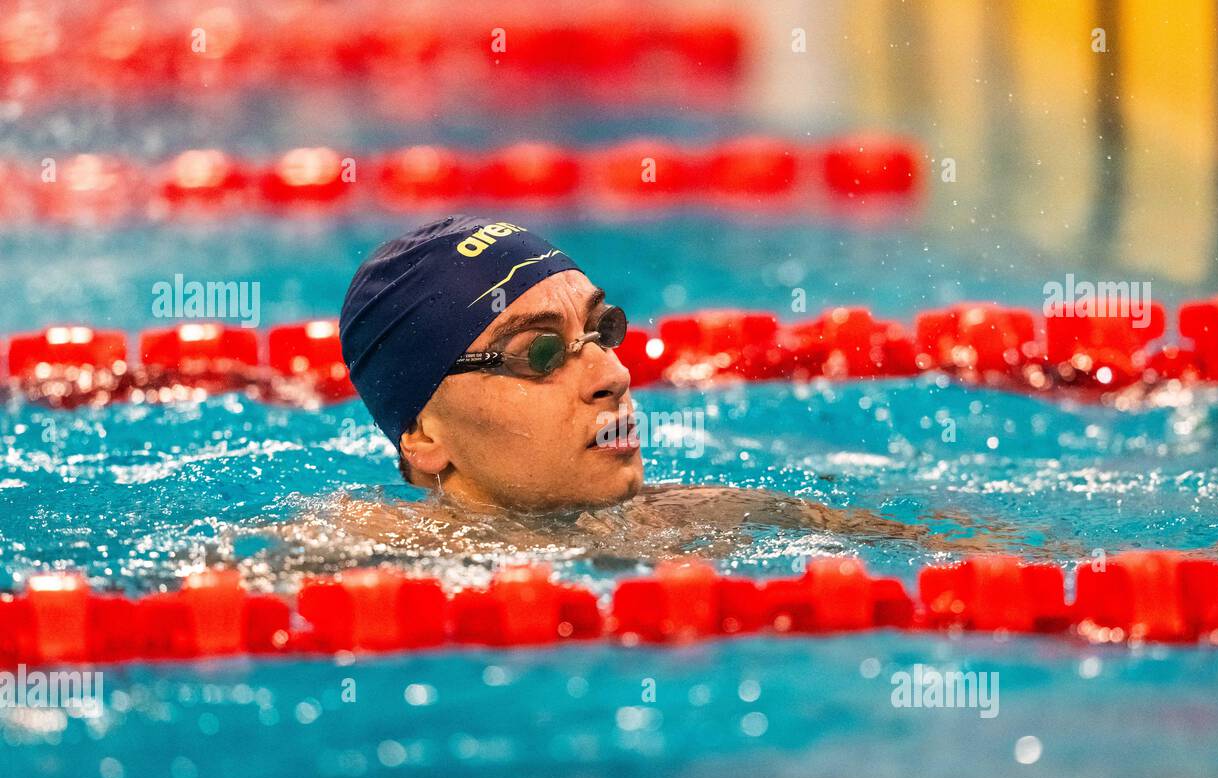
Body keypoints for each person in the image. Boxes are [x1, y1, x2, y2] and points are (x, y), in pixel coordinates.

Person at [251, 214, 1042, 567]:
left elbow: (988, 553)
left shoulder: (716, 517)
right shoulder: (347, 564)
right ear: (424, 436)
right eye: (540, 353)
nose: (613, 374)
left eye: (603, 330)